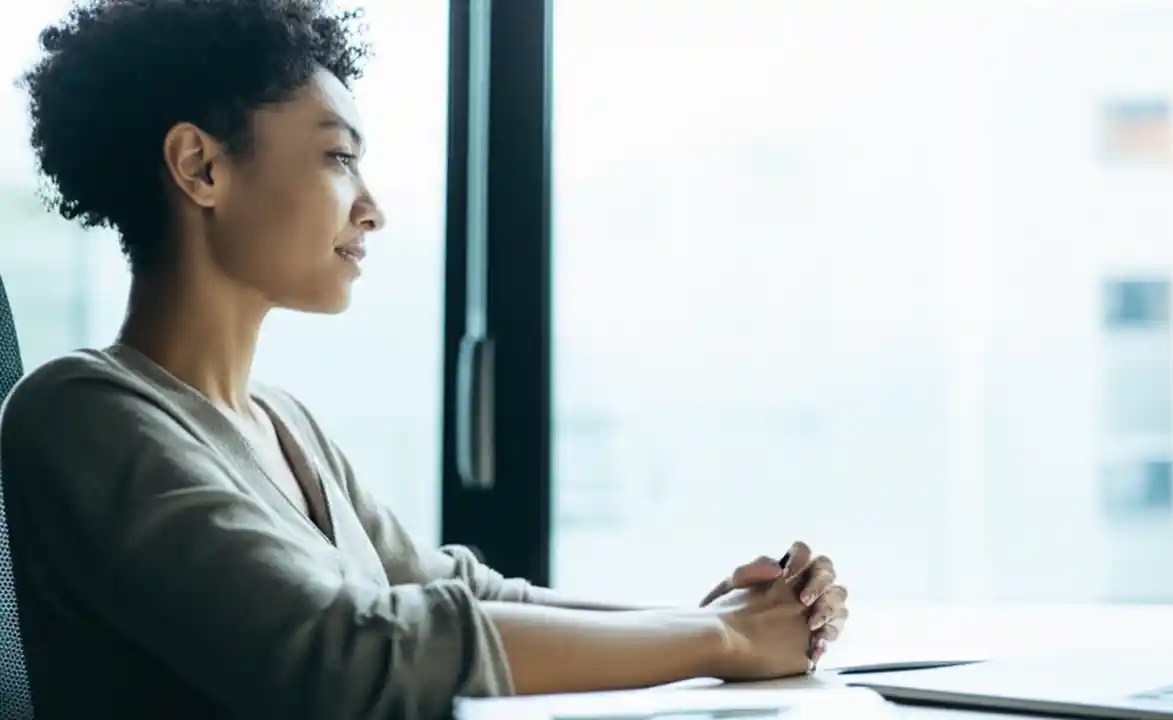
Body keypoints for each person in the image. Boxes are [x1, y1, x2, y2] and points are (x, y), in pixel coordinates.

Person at [0, 0, 849, 718]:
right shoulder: (79, 413)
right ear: (201, 167)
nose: (370, 208)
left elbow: (459, 594)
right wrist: (723, 641)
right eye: (338, 156)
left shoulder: (283, 424)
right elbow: (349, 650)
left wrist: (722, 614)